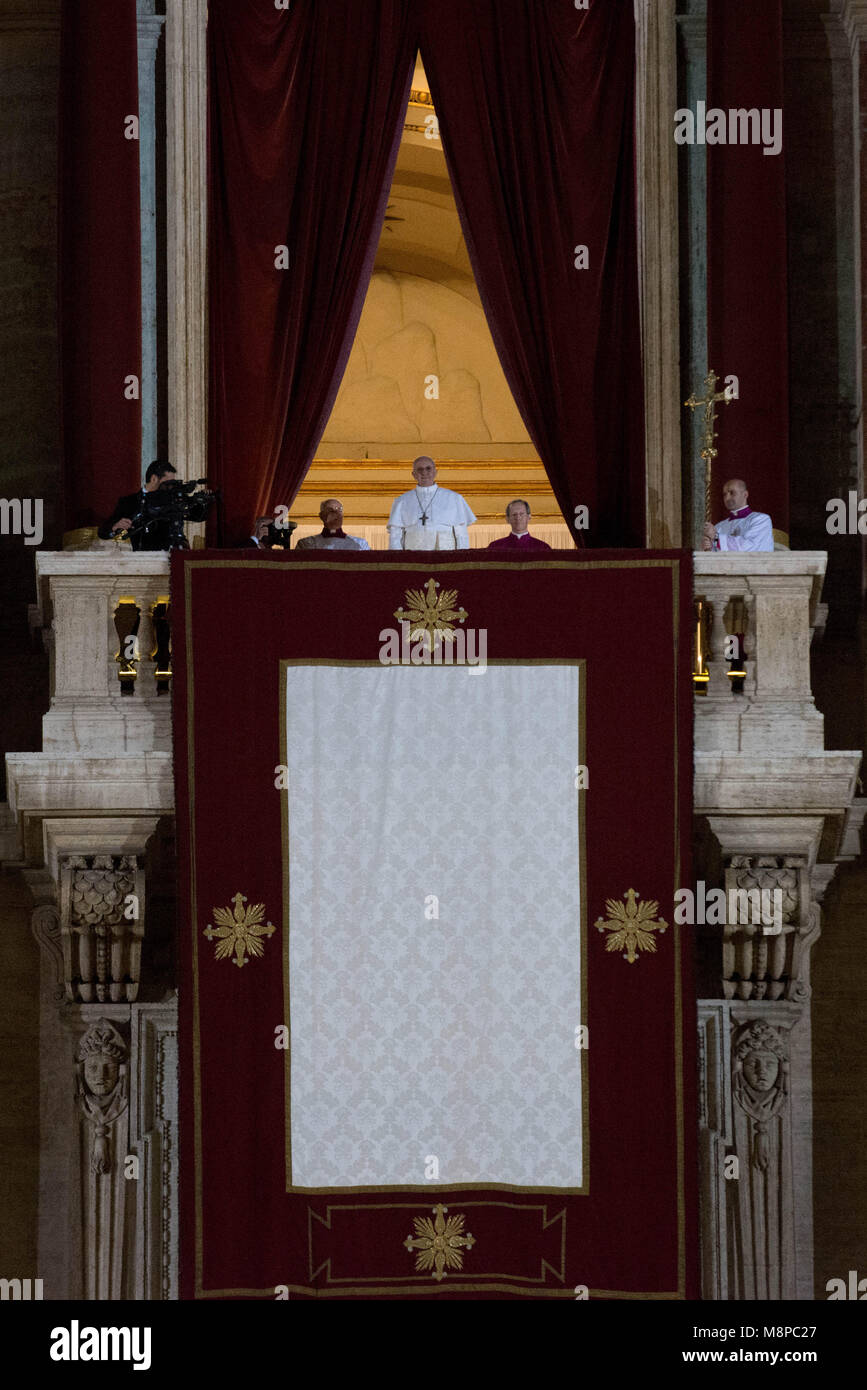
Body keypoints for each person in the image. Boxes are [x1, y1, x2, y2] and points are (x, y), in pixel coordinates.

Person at [387, 456, 476, 550]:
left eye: (428, 468)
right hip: (413, 555)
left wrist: (462, 557)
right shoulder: (402, 501)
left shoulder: (454, 498)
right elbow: (395, 535)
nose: (424, 472)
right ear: (413, 474)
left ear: (435, 472)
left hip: (446, 554)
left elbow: (461, 533)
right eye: (420, 469)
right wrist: (397, 558)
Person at [99, 460, 178, 551]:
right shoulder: (129, 502)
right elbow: (103, 531)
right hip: (137, 559)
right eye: (168, 484)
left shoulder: (172, 502)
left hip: (165, 558)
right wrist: (114, 527)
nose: (171, 487)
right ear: (154, 479)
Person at [702, 478, 774, 552]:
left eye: (732, 493)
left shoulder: (761, 520)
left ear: (745, 494)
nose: (727, 498)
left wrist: (716, 537)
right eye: (724, 494)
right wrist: (709, 547)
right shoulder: (719, 526)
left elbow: (749, 547)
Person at [294, 499, 370, 550]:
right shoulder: (306, 544)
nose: (335, 513)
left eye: (339, 510)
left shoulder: (361, 544)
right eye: (330, 510)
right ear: (321, 516)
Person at [487, 500, 552, 551]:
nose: (518, 518)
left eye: (521, 514)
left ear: (529, 517)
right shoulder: (495, 547)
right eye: (514, 514)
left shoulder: (543, 548)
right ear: (507, 519)